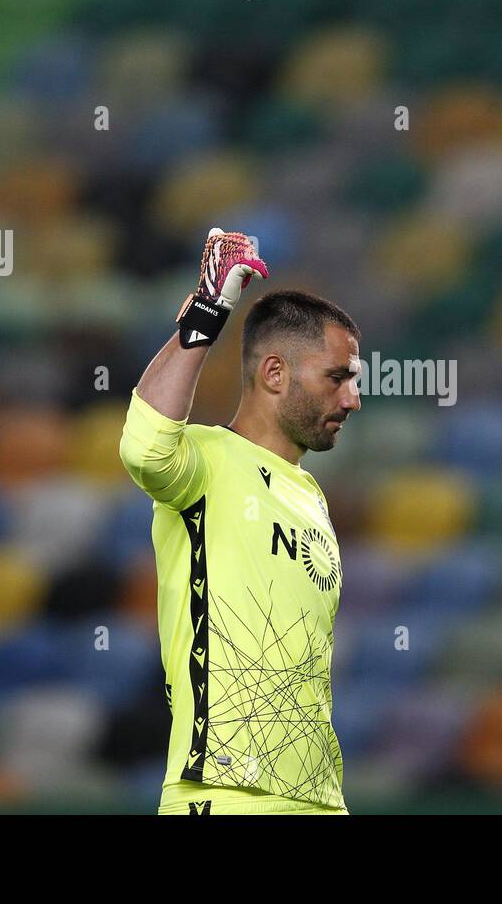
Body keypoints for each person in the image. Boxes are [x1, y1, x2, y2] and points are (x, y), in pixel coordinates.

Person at [119, 228, 362, 815]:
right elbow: (143, 446)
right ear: (275, 374)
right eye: (338, 377)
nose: (353, 398)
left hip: (318, 799)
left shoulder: (311, 497)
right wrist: (206, 311)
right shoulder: (203, 461)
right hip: (226, 792)